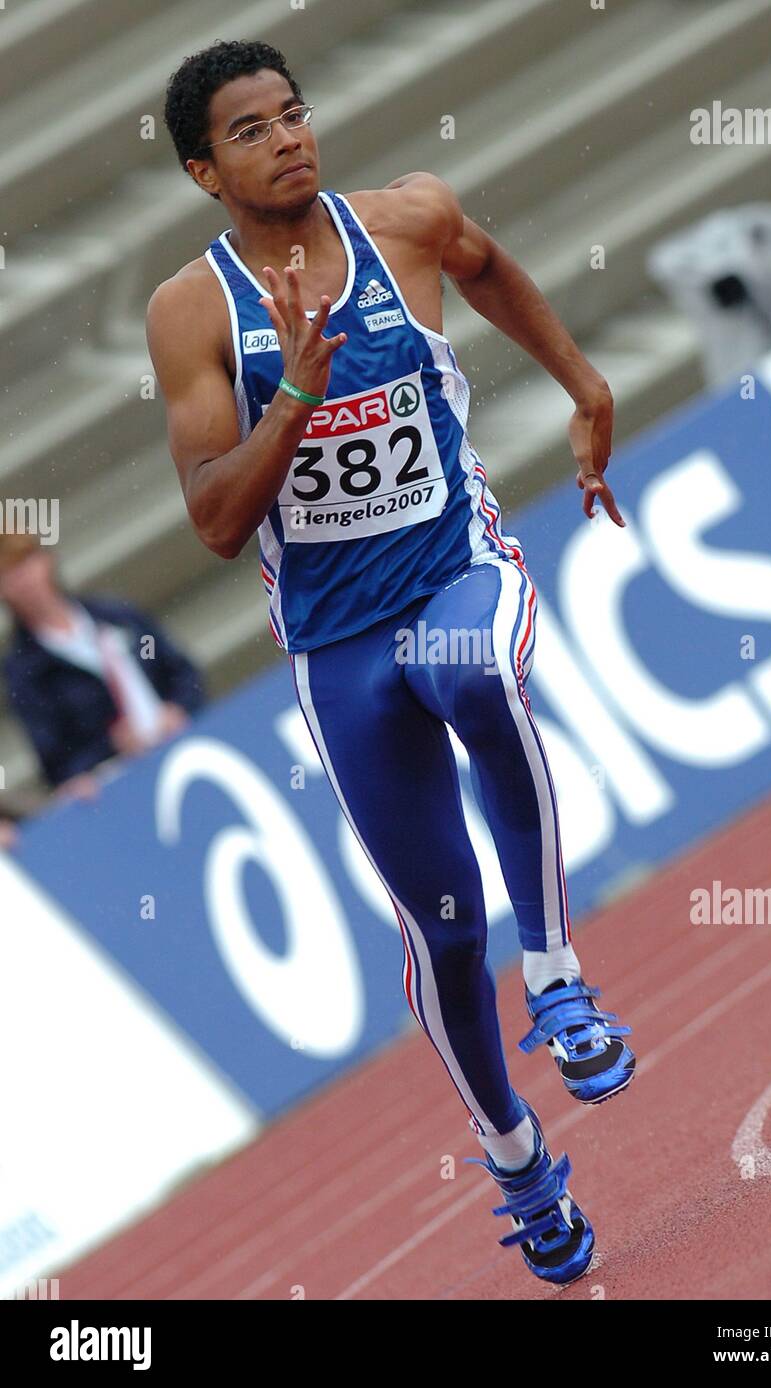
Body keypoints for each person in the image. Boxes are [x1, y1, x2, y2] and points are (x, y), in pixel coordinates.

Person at [149, 38, 635, 1286]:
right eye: (251, 131)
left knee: (476, 671)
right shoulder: (193, 312)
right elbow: (211, 519)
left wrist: (582, 389)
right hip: (336, 647)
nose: (288, 139)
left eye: (294, 114)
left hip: (451, 567)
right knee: (441, 933)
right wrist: (297, 396)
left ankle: (563, 978)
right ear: (206, 170)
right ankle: (517, 1157)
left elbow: (488, 269)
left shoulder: (405, 220)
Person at [0, 533, 204, 794]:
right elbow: (56, 761)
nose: (25, 580)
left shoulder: (117, 617)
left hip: (185, 744)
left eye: (26, 564)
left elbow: (176, 668)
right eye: (11, 574)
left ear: (46, 561)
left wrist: (178, 708)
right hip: (126, 782)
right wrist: (111, 747)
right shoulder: (26, 672)